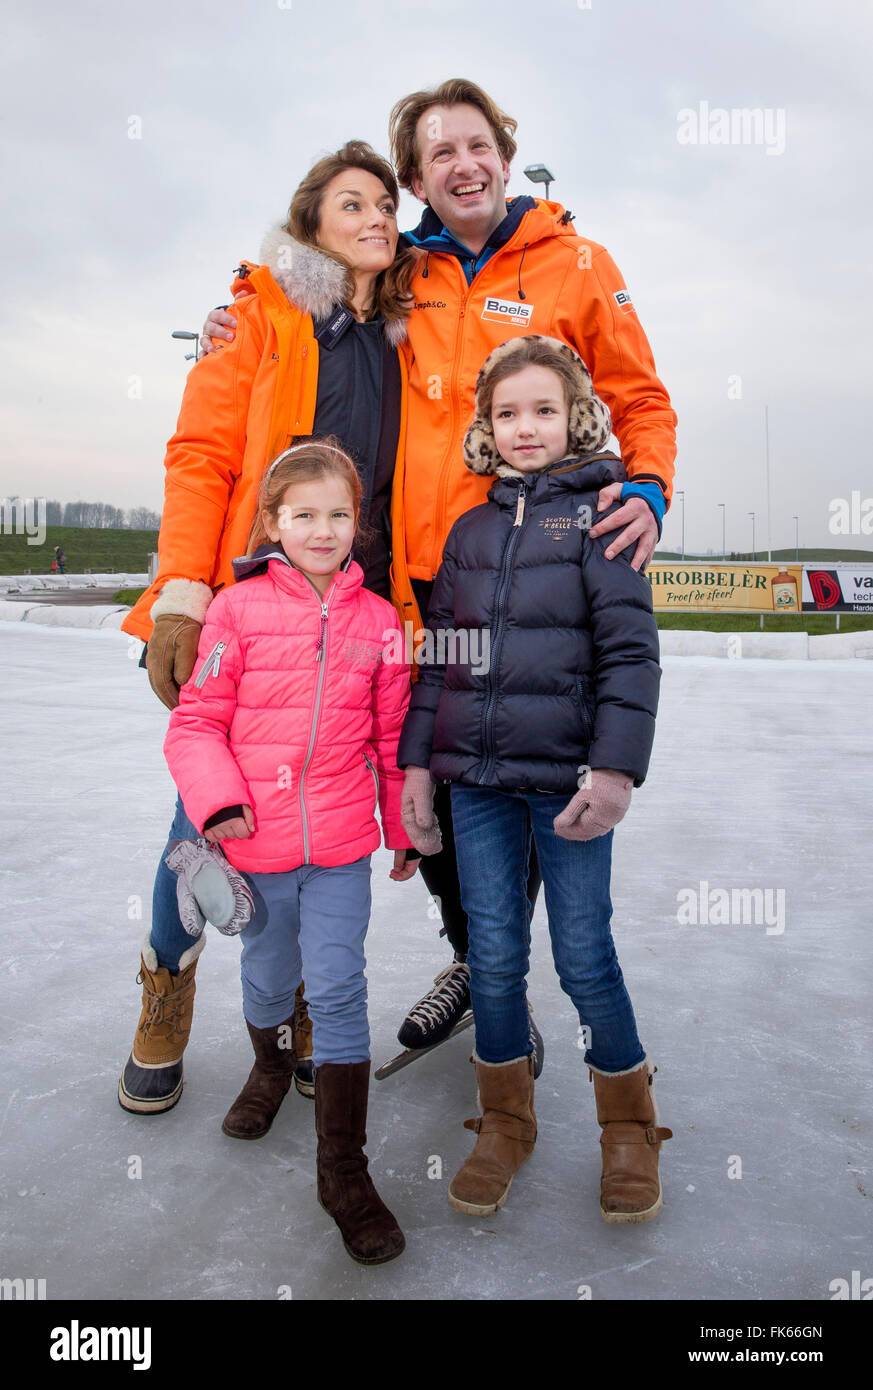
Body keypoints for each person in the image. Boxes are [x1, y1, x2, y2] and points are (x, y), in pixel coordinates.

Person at [201, 76, 677, 1056]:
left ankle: (509, 973)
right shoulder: (405, 269)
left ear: (505, 153)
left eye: (478, 145)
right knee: (456, 781)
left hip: (547, 579)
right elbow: (309, 295)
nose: (463, 163)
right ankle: (480, 963)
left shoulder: (578, 260)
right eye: (439, 154)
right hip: (430, 586)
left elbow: (641, 398)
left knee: (539, 770)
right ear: (417, 178)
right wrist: (241, 306)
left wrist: (650, 490)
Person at [118, 141, 419, 1117]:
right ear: (311, 223)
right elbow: (200, 453)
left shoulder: (409, 338)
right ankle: (168, 981)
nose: (375, 215)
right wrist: (179, 593)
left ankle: (292, 1004)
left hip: (348, 611)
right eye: (350, 203)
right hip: (248, 603)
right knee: (203, 818)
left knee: (314, 820)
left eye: (384, 202)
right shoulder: (260, 316)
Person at [397, 336, 672, 1223]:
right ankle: (504, 1122)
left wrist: (617, 770)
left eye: (542, 410)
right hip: (475, 785)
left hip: (569, 787)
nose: (524, 428)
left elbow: (630, 654)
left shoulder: (604, 517)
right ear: (484, 427)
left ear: (574, 417)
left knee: (584, 957)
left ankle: (627, 1128)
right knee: (495, 956)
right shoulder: (470, 529)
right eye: (506, 413)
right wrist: (415, 768)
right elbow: (437, 662)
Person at [164, 440, 416, 1265]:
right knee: (269, 976)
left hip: (340, 844)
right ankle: (270, 1067)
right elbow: (196, 721)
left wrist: (403, 827)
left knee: (340, 985)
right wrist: (220, 802)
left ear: (358, 524)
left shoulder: (378, 622)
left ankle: (342, 1170)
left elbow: (387, 738)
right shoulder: (236, 613)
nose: (323, 529)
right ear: (272, 523)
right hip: (258, 847)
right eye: (304, 514)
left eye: (338, 515)